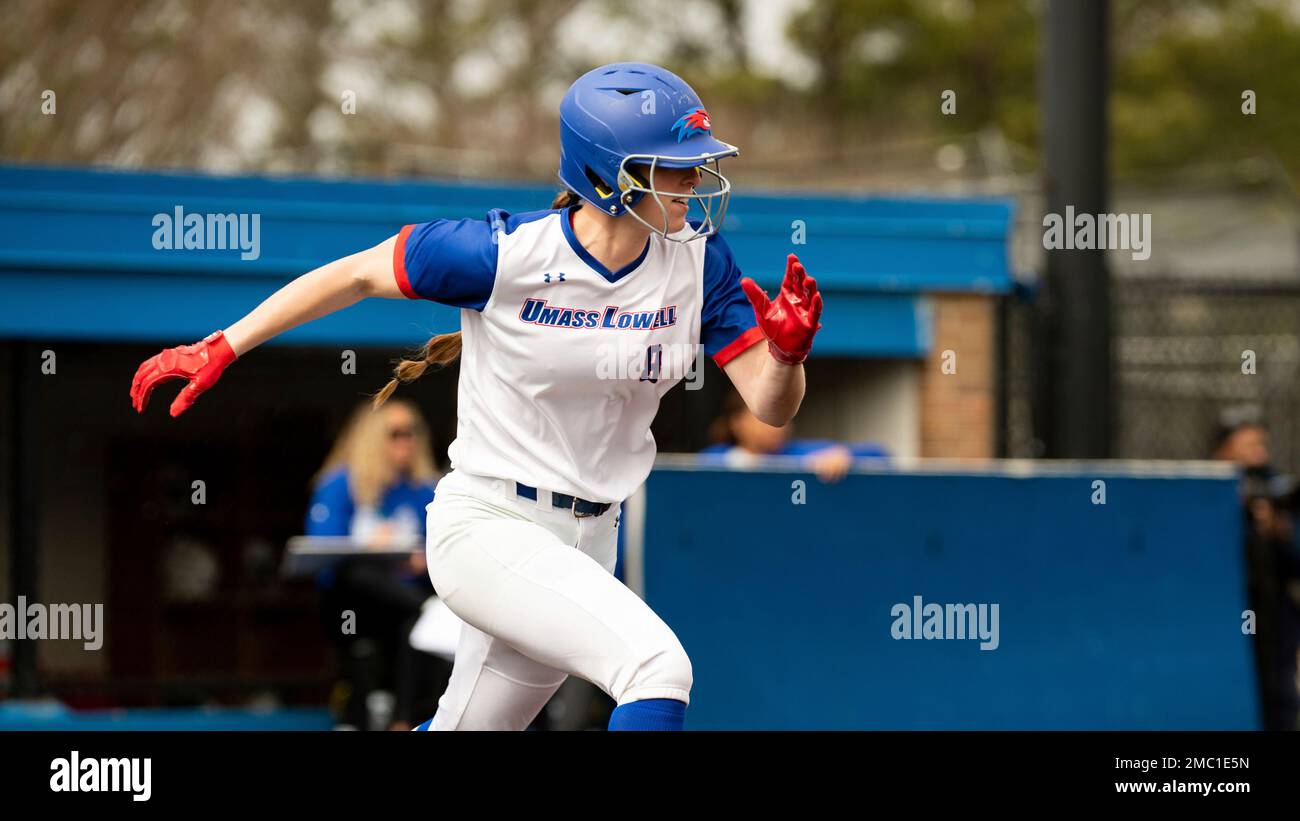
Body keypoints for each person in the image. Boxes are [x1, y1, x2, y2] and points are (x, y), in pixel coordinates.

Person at [128, 61, 824, 731]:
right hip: (490, 526)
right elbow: (356, 275)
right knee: (657, 667)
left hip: (591, 537)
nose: (695, 180)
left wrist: (787, 356)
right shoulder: (503, 252)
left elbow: (770, 406)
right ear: (611, 176)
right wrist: (224, 345)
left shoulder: (700, 261)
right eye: (674, 165)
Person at [305, 398, 454, 730]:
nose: (407, 441)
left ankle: (404, 720)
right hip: (352, 604)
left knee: (422, 622)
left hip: (407, 599)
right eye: (396, 433)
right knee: (359, 574)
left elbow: (445, 545)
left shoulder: (426, 489)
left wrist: (425, 558)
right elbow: (322, 551)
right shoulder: (340, 484)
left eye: (413, 432)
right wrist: (370, 546)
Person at [1212, 411, 1300, 730]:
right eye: (1248, 444)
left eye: (1260, 444)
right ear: (1223, 449)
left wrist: (1280, 530)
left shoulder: (1276, 488)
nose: (1258, 452)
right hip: (1224, 610)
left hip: (1273, 613)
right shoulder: (1210, 490)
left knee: (1278, 696)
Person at [701, 387, 887, 482]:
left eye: (783, 416)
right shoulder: (713, 460)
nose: (777, 425)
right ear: (738, 423)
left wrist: (845, 455)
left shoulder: (803, 454)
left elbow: (878, 454)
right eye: (766, 417)